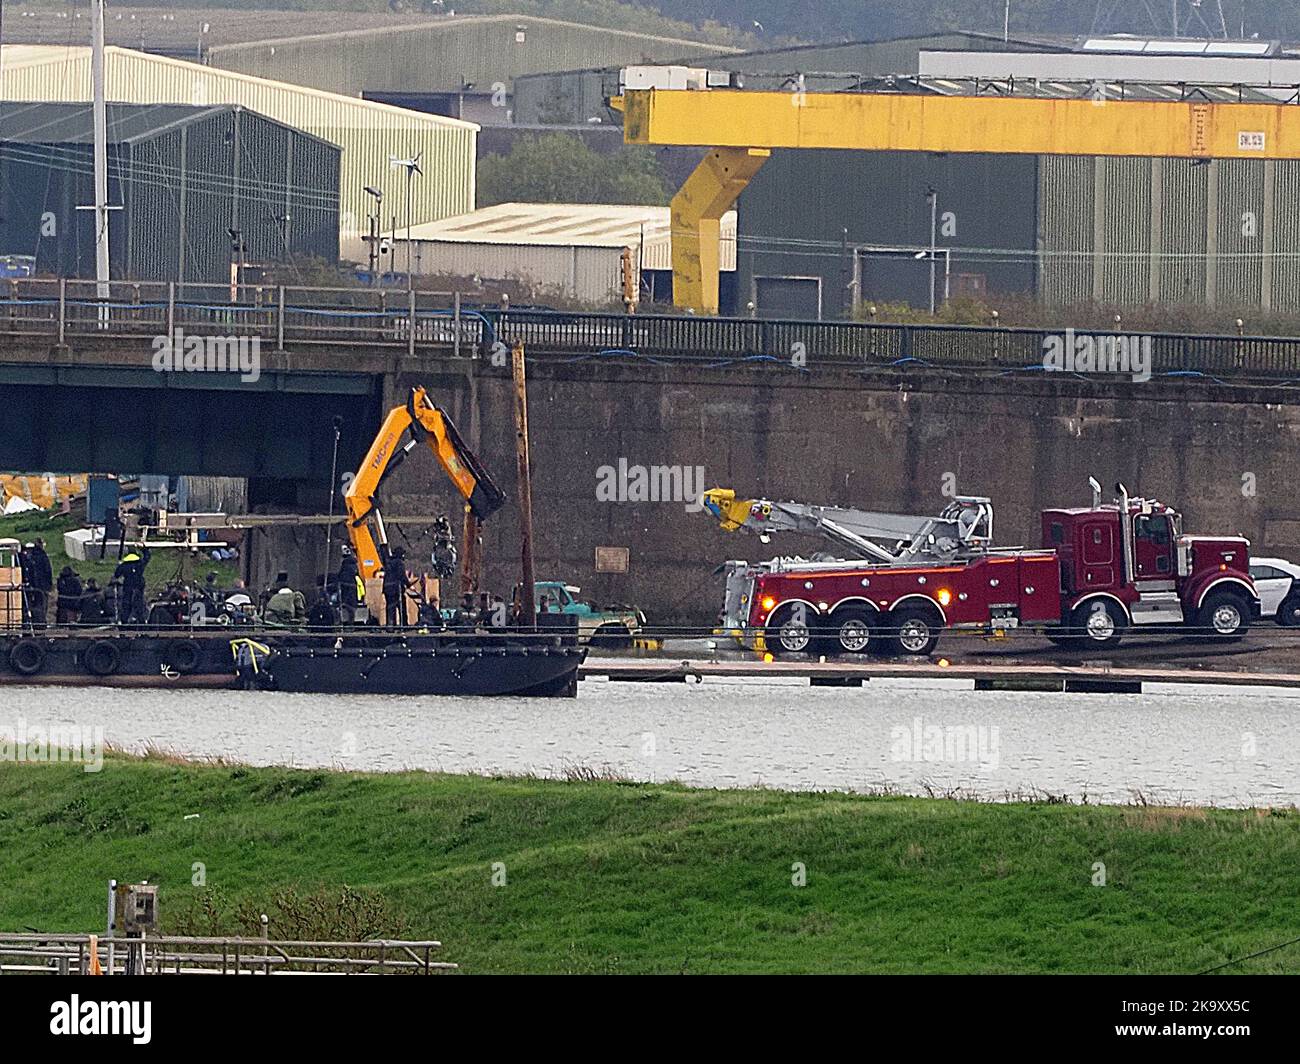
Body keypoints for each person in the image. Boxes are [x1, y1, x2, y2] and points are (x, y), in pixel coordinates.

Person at [112, 547, 150, 625]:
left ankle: (124, 623)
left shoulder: (124, 565)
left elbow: (116, 574)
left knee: (126, 606)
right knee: (139, 606)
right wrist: (144, 549)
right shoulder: (140, 564)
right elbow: (147, 557)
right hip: (138, 587)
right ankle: (142, 624)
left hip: (128, 586)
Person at [25, 538, 53, 628]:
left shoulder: (29, 557)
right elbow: (48, 571)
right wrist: (48, 585)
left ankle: (32, 622)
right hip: (42, 586)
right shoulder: (42, 556)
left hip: (31, 585)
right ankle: (41, 623)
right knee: (41, 605)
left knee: (30, 605)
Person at [337, 546, 366, 625]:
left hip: (346, 588)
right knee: (352, 607)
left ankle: (348, 624)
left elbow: (340, 576)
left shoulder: (345, 566)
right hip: (353, 589)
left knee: (347, 606)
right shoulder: (354, 566)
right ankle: (351, 624)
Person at [382, 547, 410, 629]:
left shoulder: (388, 562)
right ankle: (403, 625)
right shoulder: (399, 563)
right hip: (396, 588)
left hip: (387, 588)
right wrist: (408, 585)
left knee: (390, 607)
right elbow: (402, 575)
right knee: (401, 607)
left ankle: (390, 626)